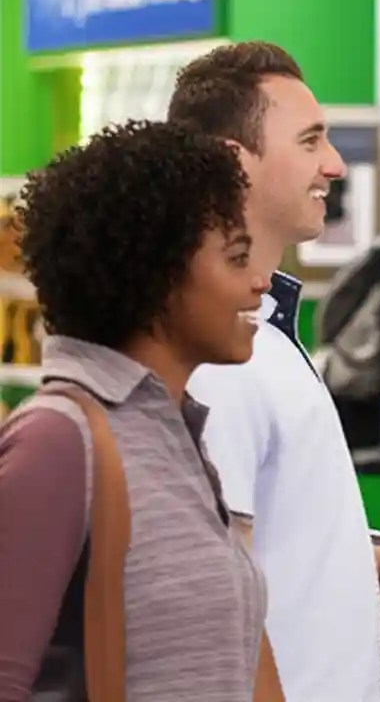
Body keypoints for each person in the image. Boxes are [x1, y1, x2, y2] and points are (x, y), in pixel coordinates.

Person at [169, 41, 380, 702]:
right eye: (311, 141)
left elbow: (255, 540)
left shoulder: (264, 330)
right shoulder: (221, 357)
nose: (335, 165)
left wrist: (361, 558)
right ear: (235, 163)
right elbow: (209, 596)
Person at [0, 120, 272, 699]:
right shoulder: (57, 439)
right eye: (236, 256)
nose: (260, 282)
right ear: (160, 273)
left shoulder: (178, 434)